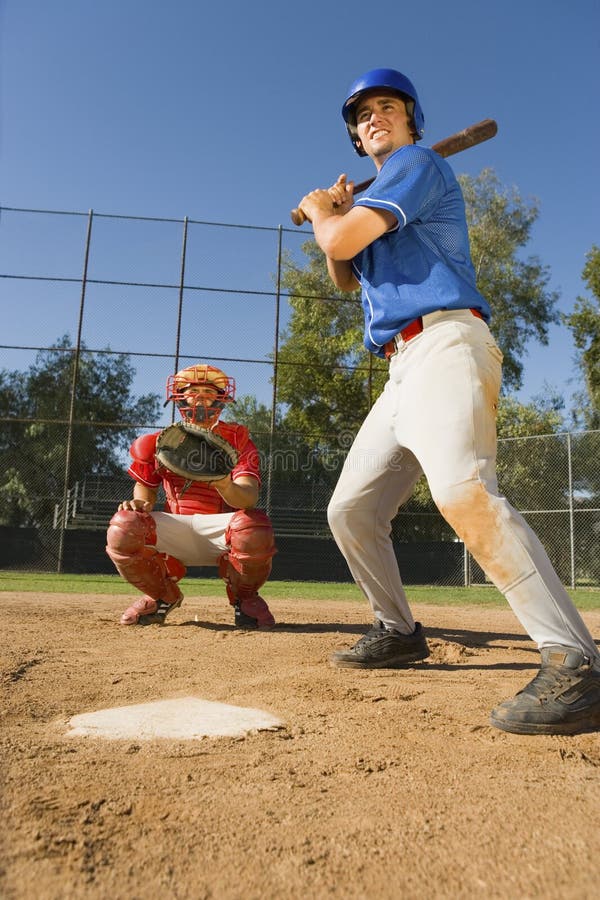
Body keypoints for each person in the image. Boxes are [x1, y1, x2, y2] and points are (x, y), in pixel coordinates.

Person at [298, 67, 600, 735]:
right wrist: (340, 212)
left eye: (387, 107)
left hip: (447, 342)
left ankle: (576, 660)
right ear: (355, 137)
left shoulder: (415, 164)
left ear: (411, 122)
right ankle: (398, 630)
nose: (374, 117)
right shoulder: (381, 195)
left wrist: (325, 215)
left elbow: (339, 241)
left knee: (463, 491)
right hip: (401, 367)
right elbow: (345, 274)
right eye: (363, 114)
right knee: (350, 510)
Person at [106, 363, 276, 629]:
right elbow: (145, 490)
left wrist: (223, 483)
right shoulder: (156, 442)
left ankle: (245, 600)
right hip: (176, 528)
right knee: (124, 524)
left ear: (221, 399)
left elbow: (248, 498)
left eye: (208, 392)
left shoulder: (239, 440)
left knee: (254, 526)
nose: (199, 398)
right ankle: (161, 595)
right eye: (191, 391)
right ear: (179, 397)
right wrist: (142, 503)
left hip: (221, 531)